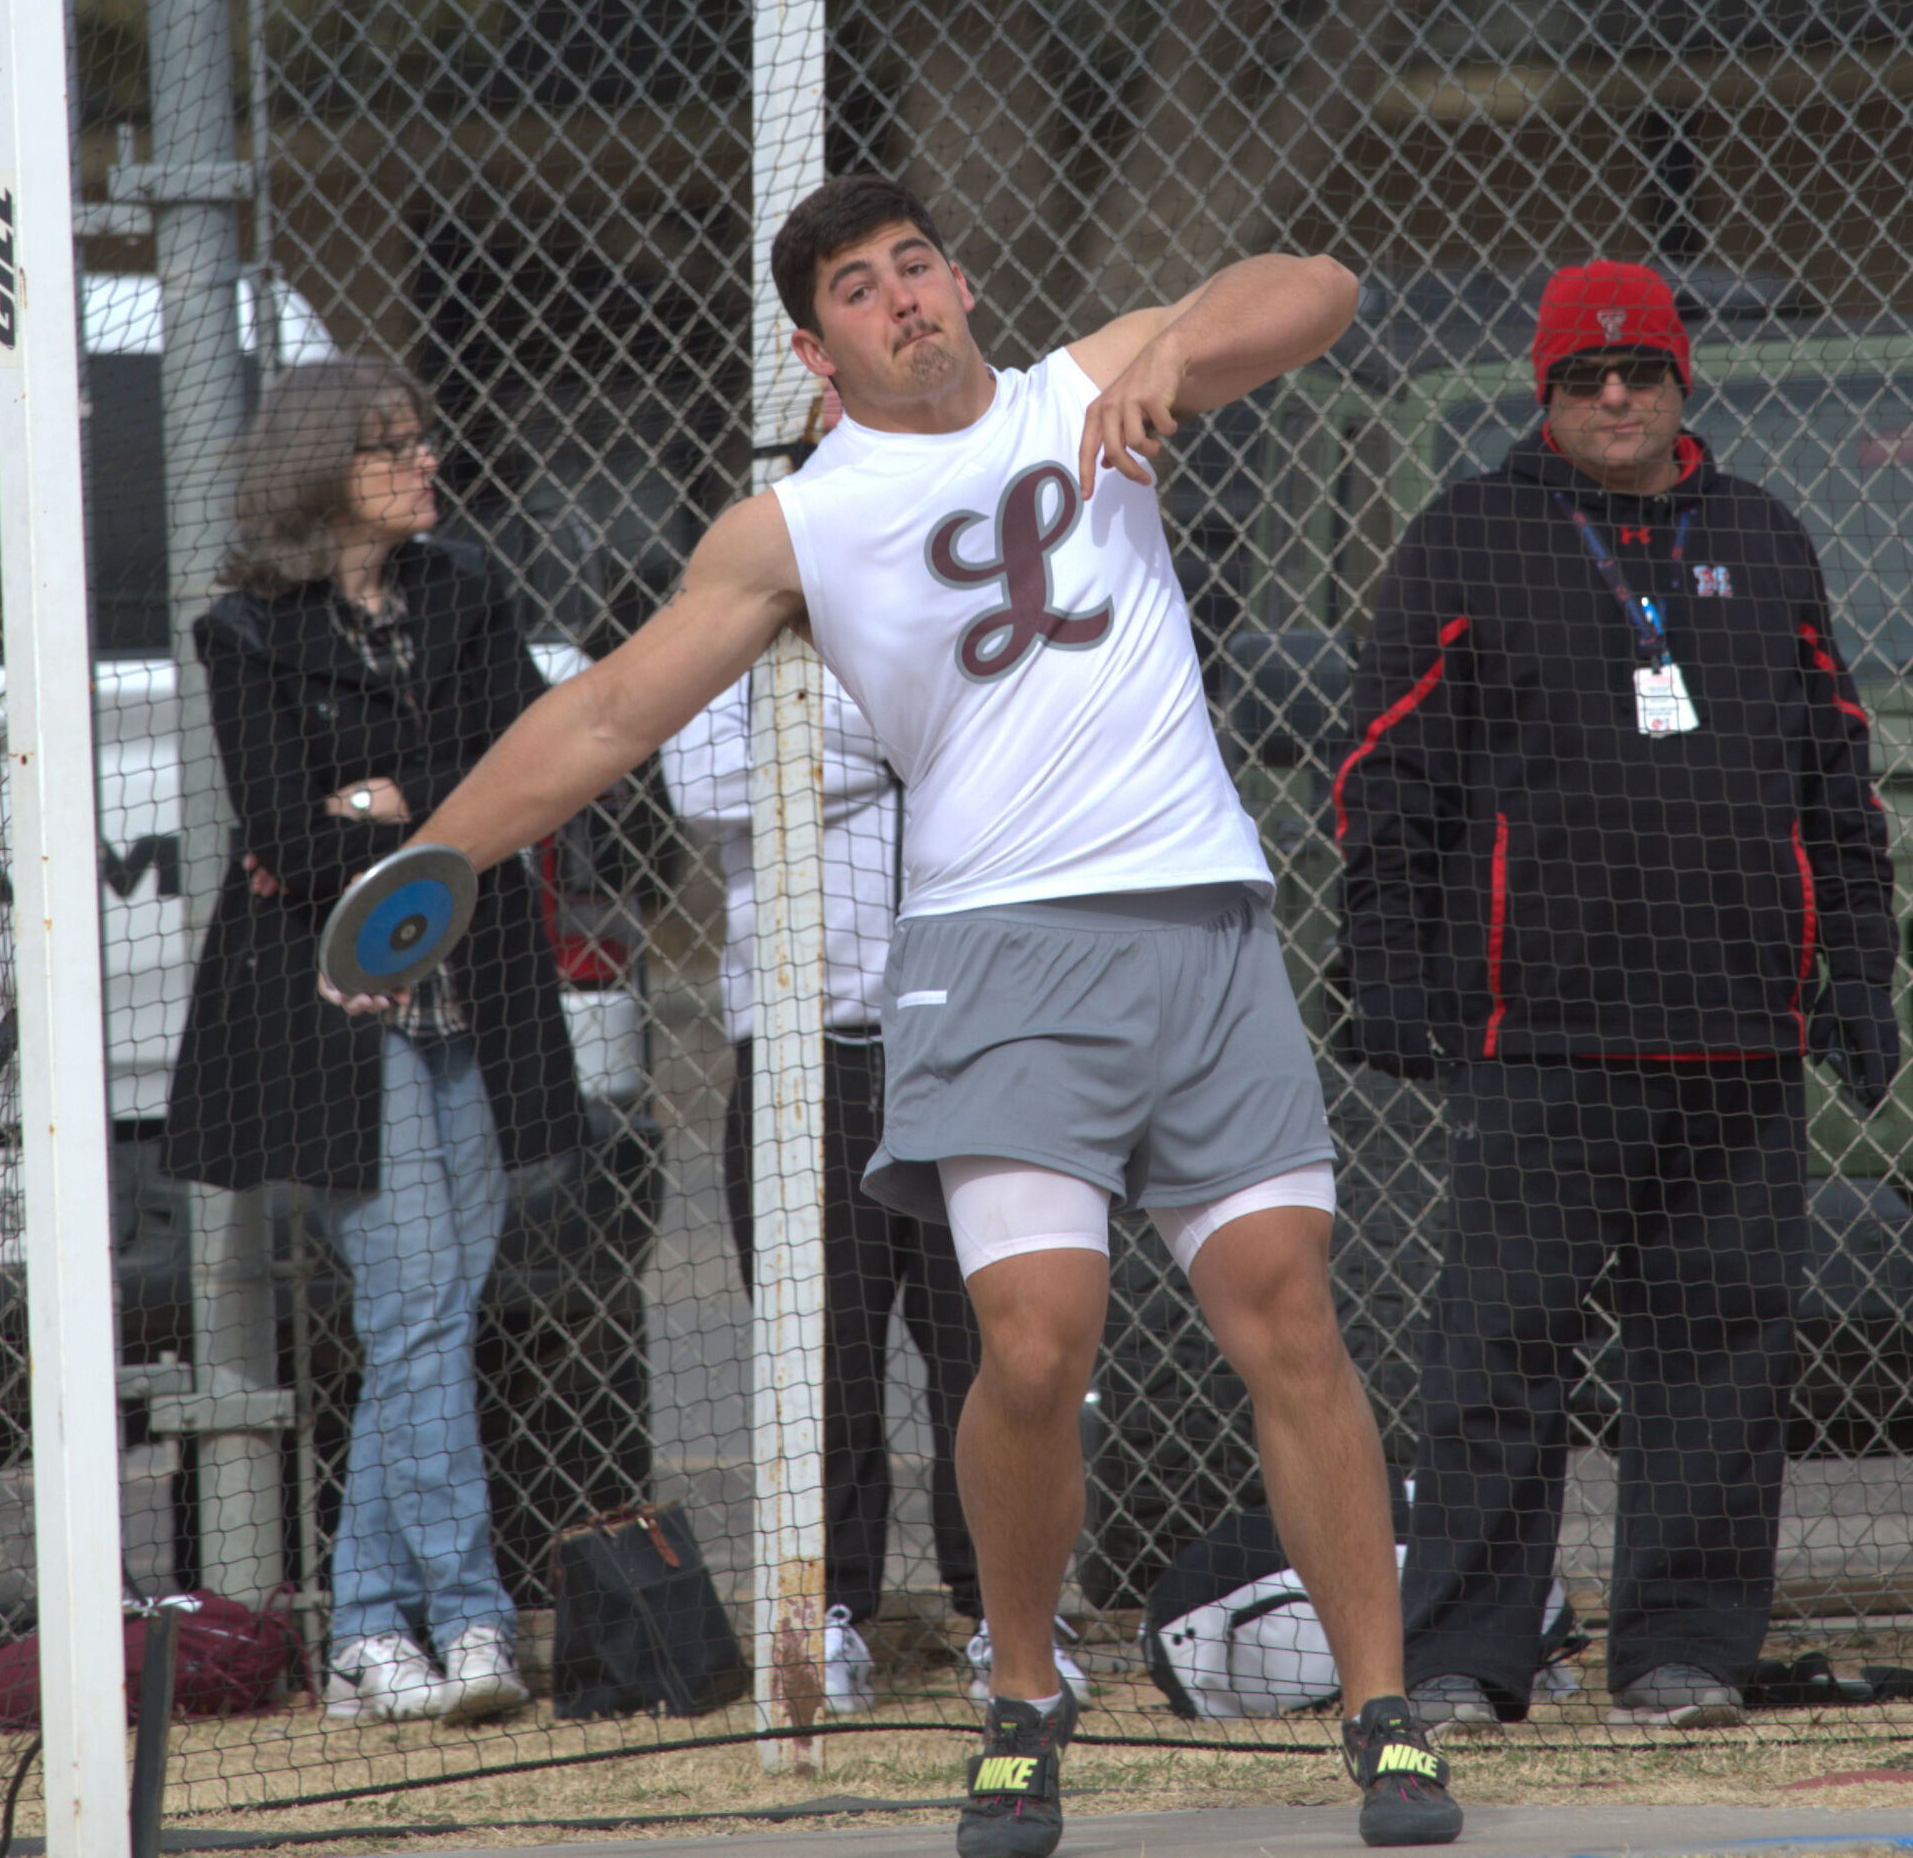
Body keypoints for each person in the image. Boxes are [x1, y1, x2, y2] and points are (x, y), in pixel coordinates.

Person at [336, 175, 1462, 1852]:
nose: (903, 301)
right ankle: (1021, 1699)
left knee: (1285, 1311)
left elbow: (1316, 281)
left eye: (918, 267)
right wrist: (443, 852)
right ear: (817, 348)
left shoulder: (1083, 389)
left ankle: (1384, 1722)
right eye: (859, 289)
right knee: (1032, 1335)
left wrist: (1173, 359)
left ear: (961, 282)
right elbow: (608, 714)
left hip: (1200, 921)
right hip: (996, 949)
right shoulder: (797, 525)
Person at [1340, 261, 1899, 1732]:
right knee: (1497, 1353)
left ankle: (1684, 1654)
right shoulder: (1470, 533)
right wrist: (1385, 968)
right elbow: (1380, 770)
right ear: (1543, 391)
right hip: (1544, 1033)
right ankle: (1463, 1656)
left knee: (1719, 1351)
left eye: (1636, 375)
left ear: (1676, 386)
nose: (1610, 398)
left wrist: (1860, 974)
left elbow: (1838, 782)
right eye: (1582, 379)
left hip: (1734, 1036)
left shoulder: (1763, 541)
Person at [167, 360, 589, 1724]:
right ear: (316, 472)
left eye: (422, 437)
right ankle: (468, 1623)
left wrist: (398, 798)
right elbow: (284, 833)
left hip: (476, 995)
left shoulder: (465, 594)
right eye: (389, 449)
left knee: (427, 1321)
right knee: (417, 1318)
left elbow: (515, 764)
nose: (424, 463)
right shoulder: (246, 630)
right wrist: (418, 806)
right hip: (342, 1021)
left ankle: (362, 1631)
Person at [663, 662, 996, 1712]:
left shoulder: (936, 601)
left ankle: (1002, 1615)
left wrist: (827, 753)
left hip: (968, 1036)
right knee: (824, 1357)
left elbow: (993, 756)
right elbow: (707, 780)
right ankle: (832, 1610)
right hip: (808, 1049)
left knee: (985, 1345)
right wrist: (897, 740)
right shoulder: (745, 626)